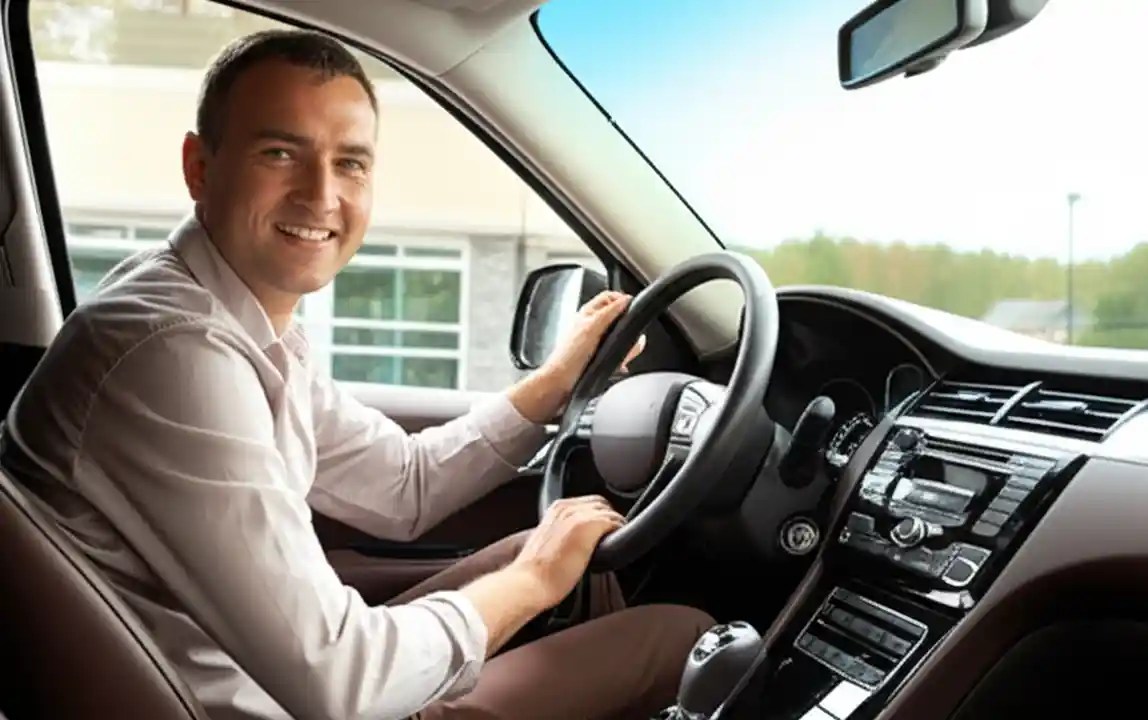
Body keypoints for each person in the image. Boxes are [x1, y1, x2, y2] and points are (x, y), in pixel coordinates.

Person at [0, 28, 713, 720]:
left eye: (350, 163)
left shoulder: (235, 322)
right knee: (680, 638)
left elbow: (404, 486)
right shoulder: (175, 355)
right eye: (281, 153)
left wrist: (551, 386)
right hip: (276, 701)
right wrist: (532, 582)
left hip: (274, 681)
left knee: (573, 566)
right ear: (200, 167)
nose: (321, 195)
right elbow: (343, 686)